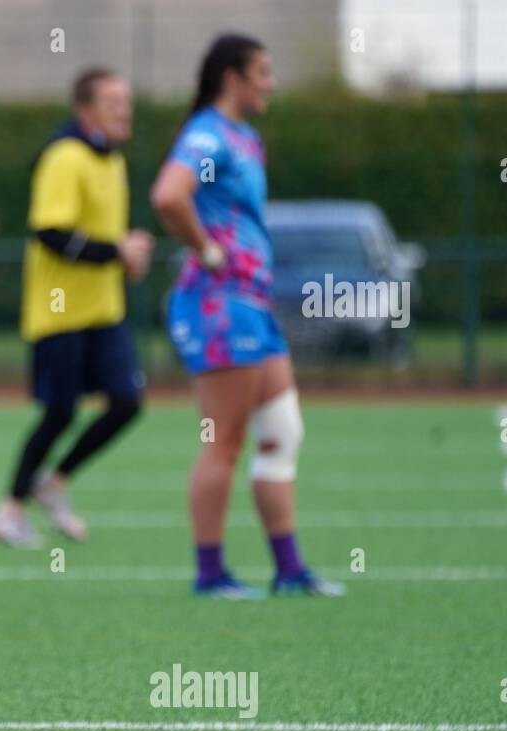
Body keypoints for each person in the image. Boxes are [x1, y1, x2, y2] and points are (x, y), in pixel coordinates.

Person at [150, 34, 343, 598]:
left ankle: (289, 570)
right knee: (224, 440)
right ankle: (210, 574)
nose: (271, 82)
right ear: (232, 77)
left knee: (283, 429)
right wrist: (209, 251)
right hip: (219, 303)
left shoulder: (244, 138)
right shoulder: (210, 133)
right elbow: (169, 195)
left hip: (249, 300)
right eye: (263, 71)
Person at [0, 68, 155, 548]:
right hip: (58, 312)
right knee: (60, 412)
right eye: (112, 101)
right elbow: (51, 233)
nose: (124, 110)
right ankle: (10, 510)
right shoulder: (64, 156)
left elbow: (102, 238)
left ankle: (55, 482)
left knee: (127, 401)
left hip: (104, 310)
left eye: (126, 100)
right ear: (85, 109)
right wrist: (116, 251)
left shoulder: (113, 160)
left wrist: (126, 258)